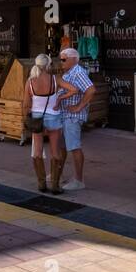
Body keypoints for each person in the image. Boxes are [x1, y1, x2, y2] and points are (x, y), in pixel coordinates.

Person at [55, 47, 96, 191]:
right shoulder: (69, 72)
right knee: (63, 147)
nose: (61, 62)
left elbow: (91, 90)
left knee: (74, 147)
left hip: (72, 116)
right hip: (65, 115)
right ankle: (58, 174)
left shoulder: (78, 72)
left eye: (64, 59)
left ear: (73, 59)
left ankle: (79, 180)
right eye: (60, 59)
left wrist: (79, 106)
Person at [22, 53, 64, 194]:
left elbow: (26, 104)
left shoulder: (30, 82)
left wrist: (25, 119)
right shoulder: (55, 79)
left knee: (37, 152)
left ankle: (41, 183)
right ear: (48, 65)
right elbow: (73, 89)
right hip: (54, 118)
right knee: (55, 152)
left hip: (37, 119)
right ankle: (55, 186)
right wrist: (59, 99)